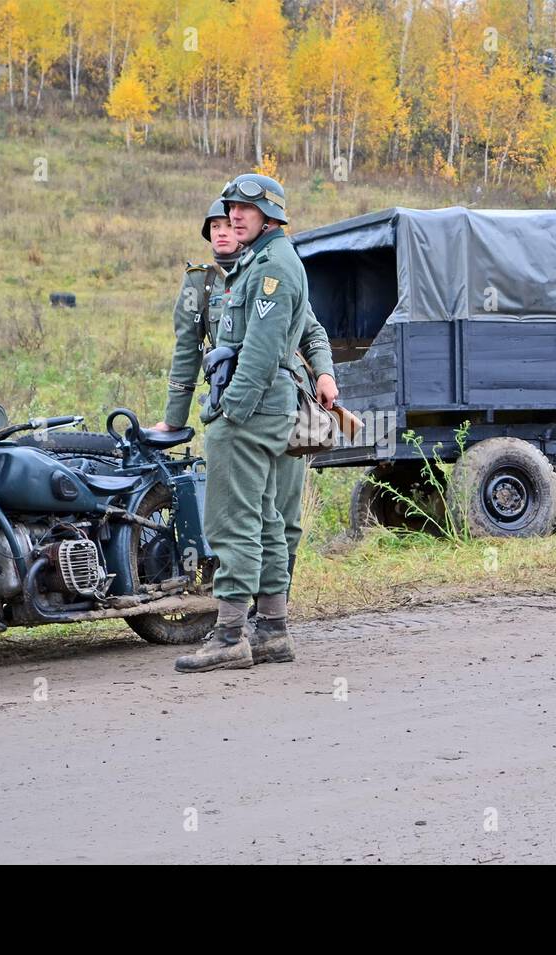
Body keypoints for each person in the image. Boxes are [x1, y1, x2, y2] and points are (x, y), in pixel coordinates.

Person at [151, 198, 337, 635]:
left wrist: (325, 372)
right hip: (236, 396)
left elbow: (309, 329)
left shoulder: (270, 268)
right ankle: (256, 619)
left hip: (280, 402)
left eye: (230, 223)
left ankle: (269, 617)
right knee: (245, 512)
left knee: (281, 514)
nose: (223, 231)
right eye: (214, 225)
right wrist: (175, 419)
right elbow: (187, 353)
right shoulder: (202, 284)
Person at [174, 174, 311, 673]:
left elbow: (262, 349)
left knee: (233, 522)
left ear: (271, 217)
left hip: (251, 410)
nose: (233, 215)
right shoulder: (265, 262)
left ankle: (230, 635)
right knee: (269, 522)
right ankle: (273, 630)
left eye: (245, 210)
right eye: (230, 208)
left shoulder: (272, 268)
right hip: (271, 408)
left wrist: (230, 410)